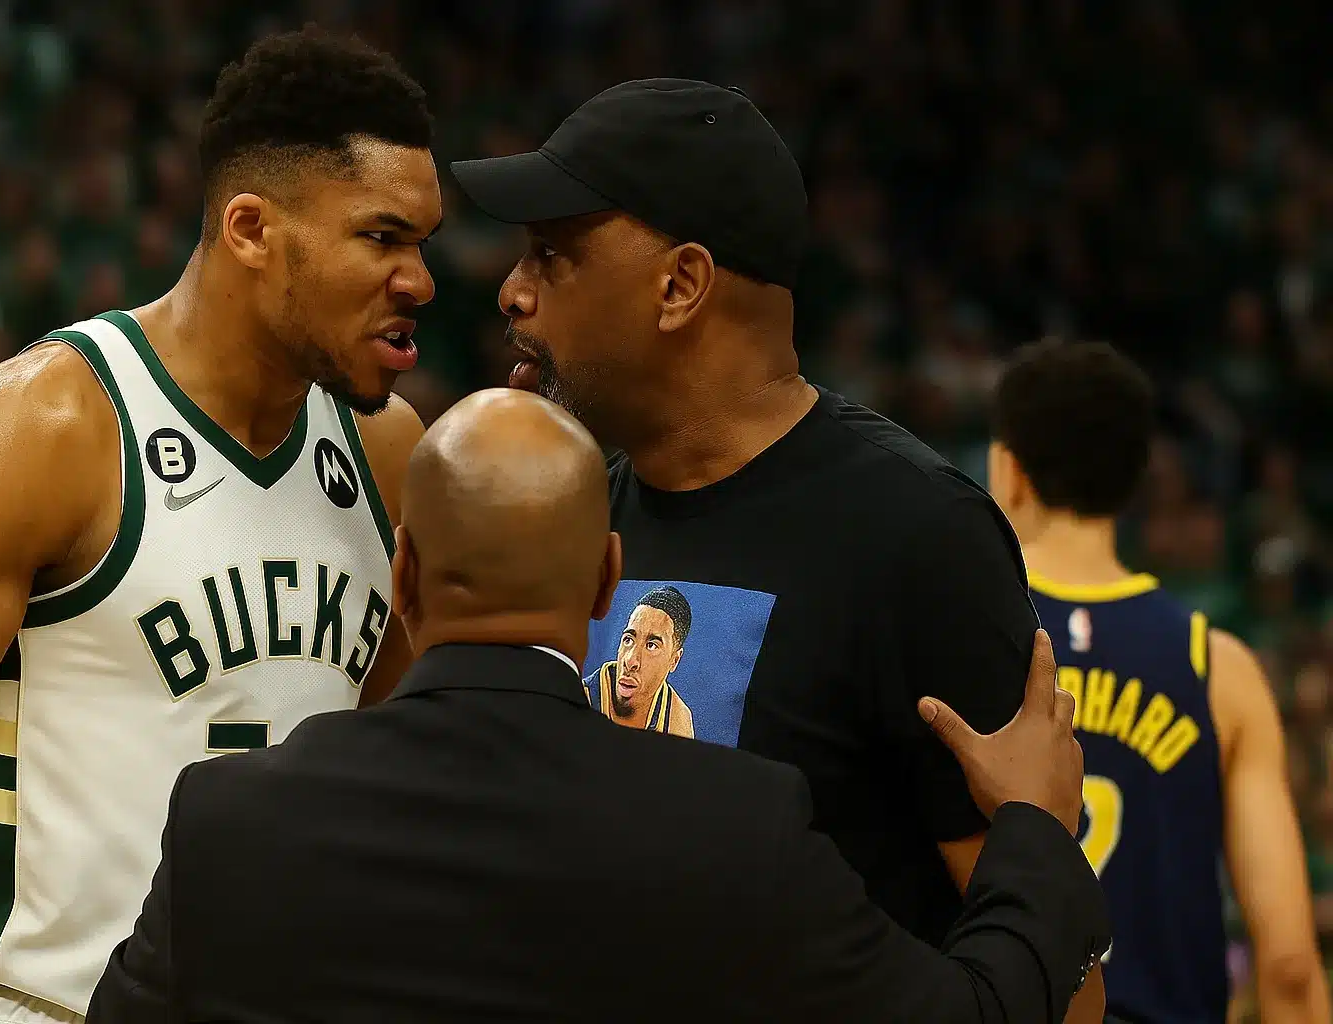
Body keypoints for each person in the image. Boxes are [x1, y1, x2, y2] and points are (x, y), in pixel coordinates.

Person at [88, 388, 1108, 1023]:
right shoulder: (735, 828)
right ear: (607, 581)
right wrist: (1032, 829)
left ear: (403, 575)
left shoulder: (225, 822)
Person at [0, 26, 437, 1024]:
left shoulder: (390, 455)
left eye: (424, 243)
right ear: (251, 229)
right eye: (381, 237)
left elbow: (393, 780)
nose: (420, 281)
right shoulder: (38, 429)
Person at [447, 79, 1114, 1014]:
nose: (513, 291)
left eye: (553, 256)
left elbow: (1058, 975)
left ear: (680, 285)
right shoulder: (580, 514)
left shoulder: (919, 539)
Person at [988, 340, 1332, 1024]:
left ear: (1008, 469)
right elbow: (1290, 965)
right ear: (1136, 477)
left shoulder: (962, 635)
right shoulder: (1218, 666)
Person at [583, 583, 696, 737]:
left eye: (651, 645)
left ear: (674, 660)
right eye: (628, 639)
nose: (630, 661)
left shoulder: (677, 723)